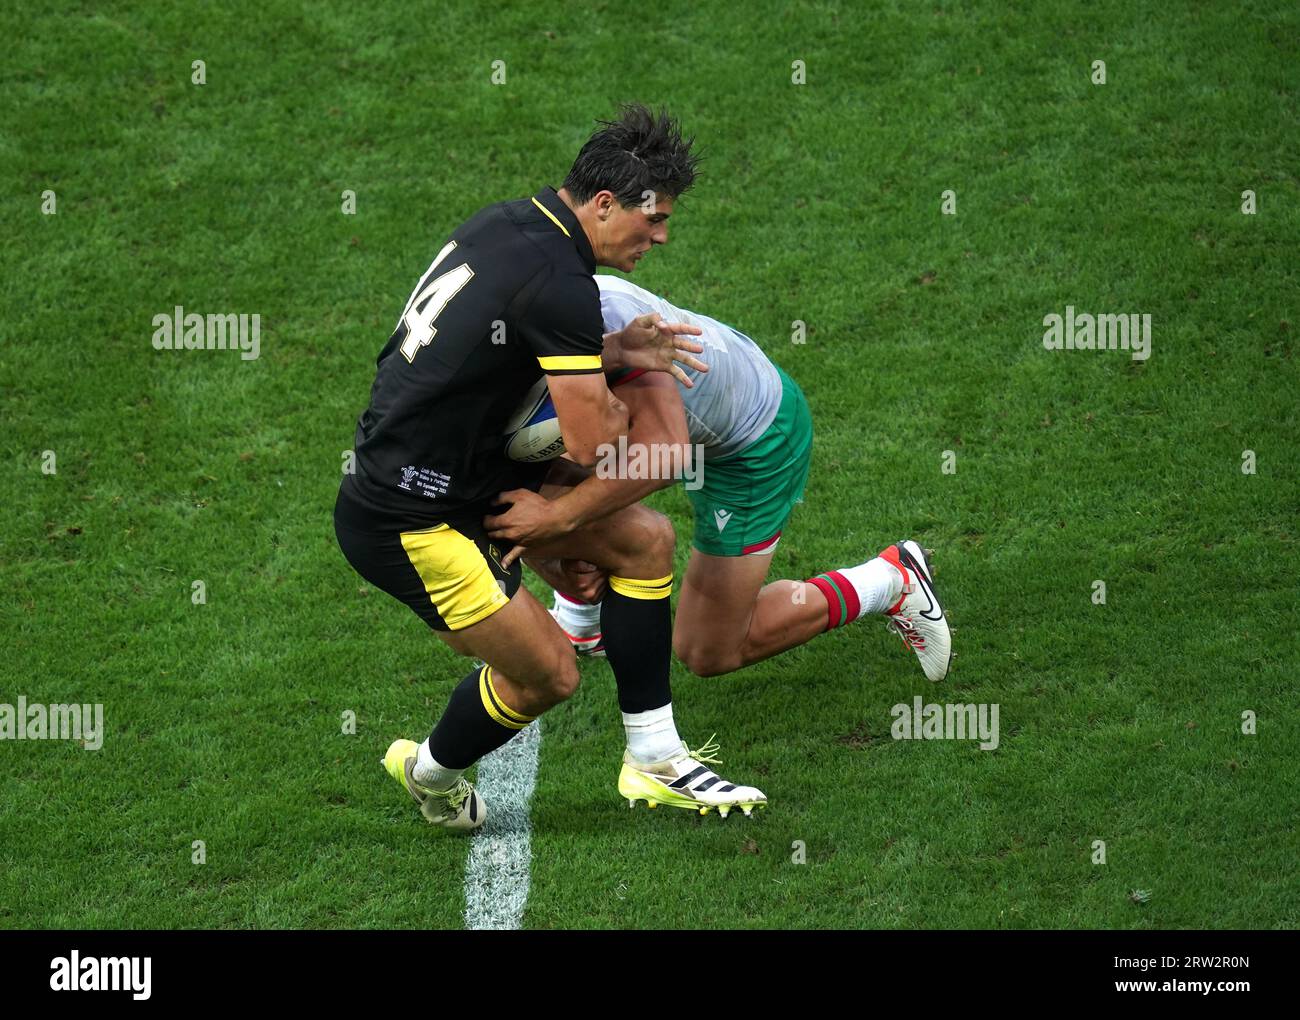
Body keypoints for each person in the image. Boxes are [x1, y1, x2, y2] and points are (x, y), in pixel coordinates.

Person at [334, 105, 764, 832]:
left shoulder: (509, 223)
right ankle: (429, 773)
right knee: (550, 675)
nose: (660, 236)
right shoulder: (563, 287)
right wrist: (616, 416)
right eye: (652, 219)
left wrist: (618, 353)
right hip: (411, 517)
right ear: (603, 204)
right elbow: (595, 443)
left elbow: (496, 343)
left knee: (645, 541)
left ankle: (655, 754)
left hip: (457, 468)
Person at [486, 275, 953, 697]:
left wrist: (559, 521)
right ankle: (581, 617)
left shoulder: (611, 318)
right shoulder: (549, 311)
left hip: (753, 442)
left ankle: (890, 580)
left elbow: (665, 454)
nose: (659, 237)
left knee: (708, 649)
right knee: (531, 482)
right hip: (676, 425)